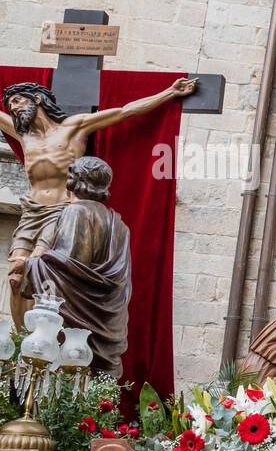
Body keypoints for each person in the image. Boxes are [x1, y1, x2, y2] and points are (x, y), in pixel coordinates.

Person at [1, 79, 195, 315]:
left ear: (37, 99)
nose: (13, 108)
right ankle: (23, 341)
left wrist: (169, 92)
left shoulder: (73, 127)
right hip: (32, 213)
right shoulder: (23, 135)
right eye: (10, 105)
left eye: (18, 101)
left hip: (63, 212)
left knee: (41, 273)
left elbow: (125, 112)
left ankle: (46, 337)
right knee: (15, 278)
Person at [20, 156, 132, 376]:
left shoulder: (76, 211)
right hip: (105, 319)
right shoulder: (120, 224)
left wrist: (29, 264)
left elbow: (65, 268)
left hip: (75, 319)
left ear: (73, 180)